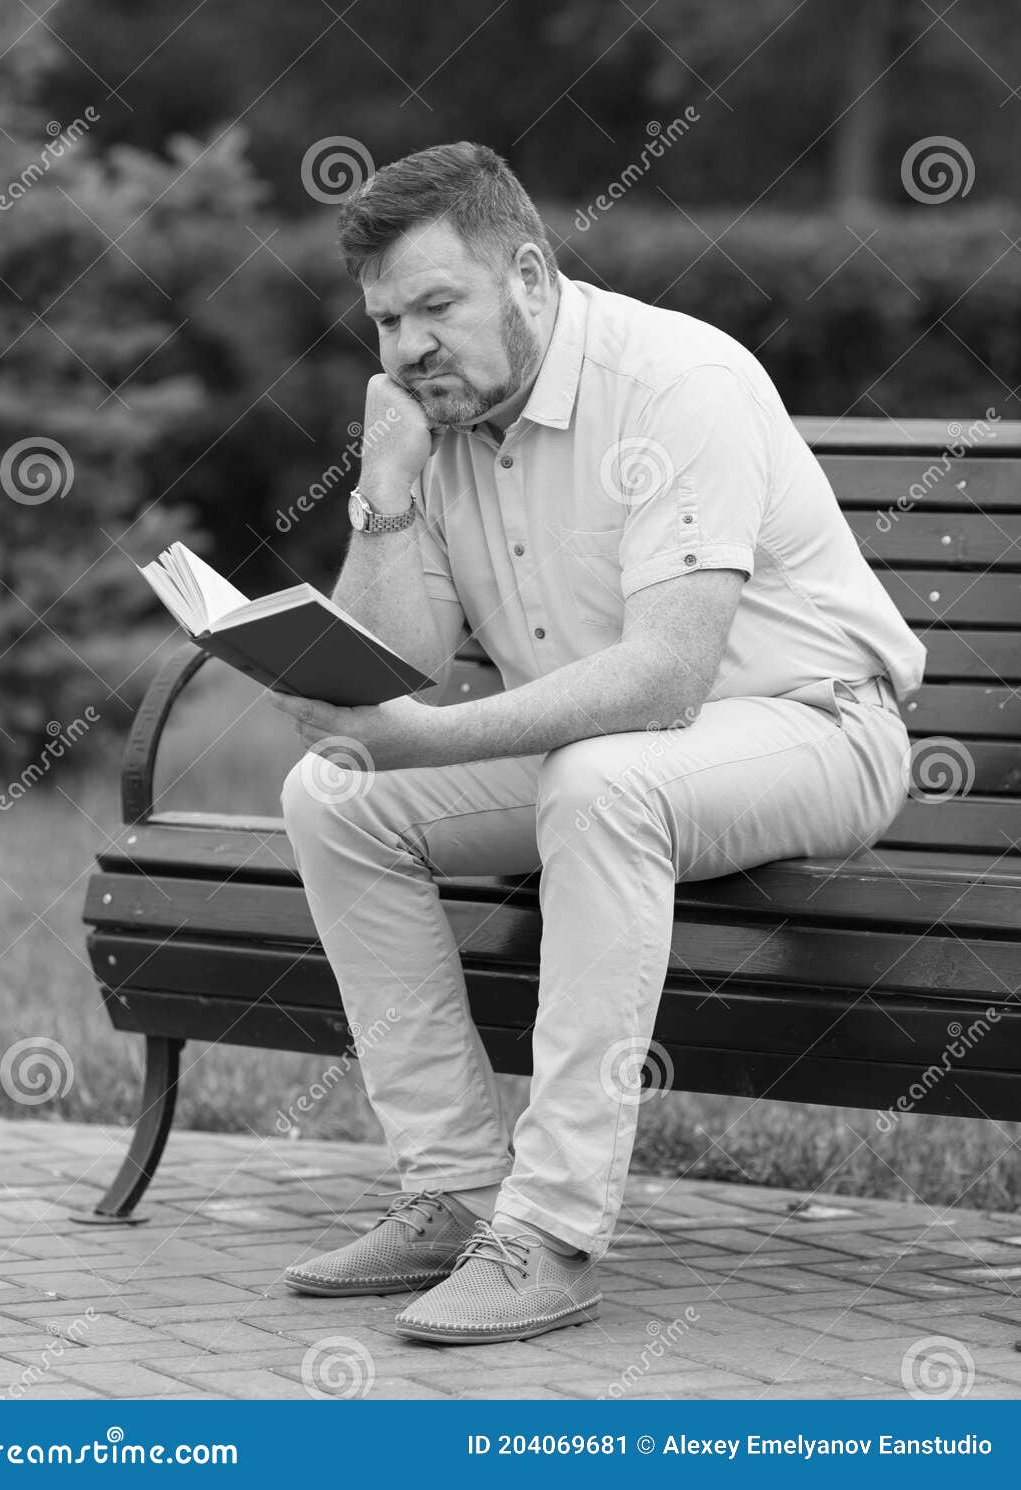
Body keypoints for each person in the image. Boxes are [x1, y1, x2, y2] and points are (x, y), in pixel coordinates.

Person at [271, 140, 925, 1347]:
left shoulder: (673, 378)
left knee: (600, 778)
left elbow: (668, 675)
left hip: (816, 727)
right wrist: (388, 487)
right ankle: (453, 1186)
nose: (409, 346)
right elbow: (393, 669)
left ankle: (553, 1231)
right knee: (335, 794)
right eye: (383, 321)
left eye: (435, 306)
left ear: (525, 275)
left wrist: (431, 734)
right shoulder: (437, 415)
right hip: (613, 756)